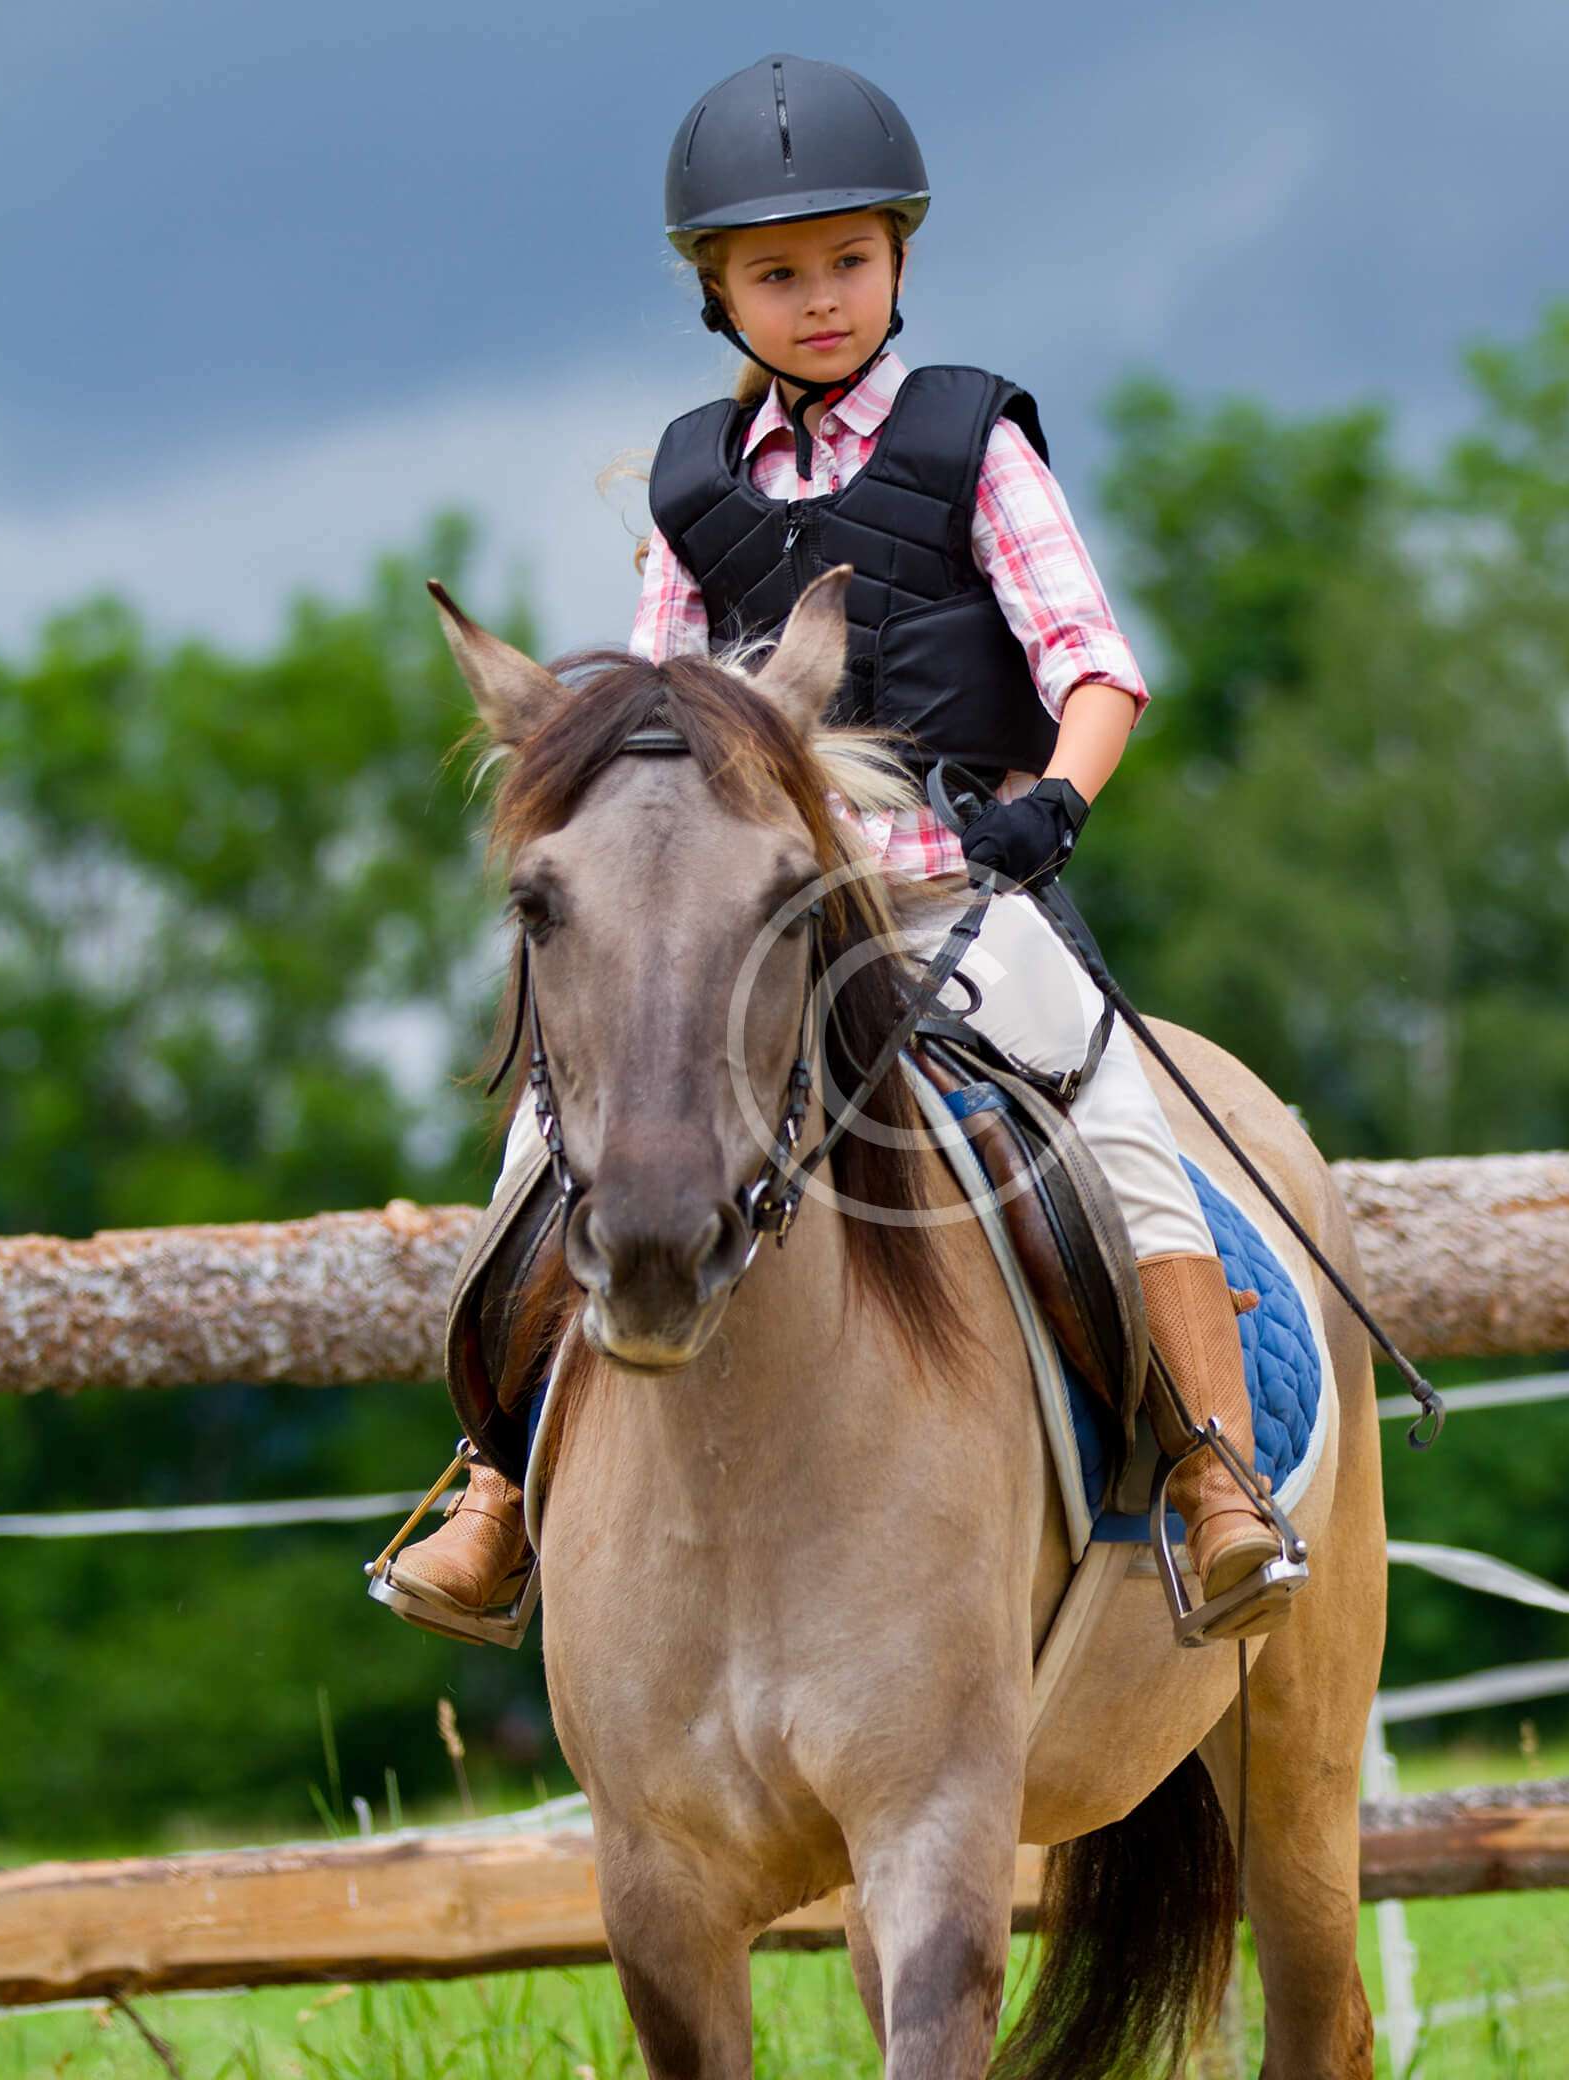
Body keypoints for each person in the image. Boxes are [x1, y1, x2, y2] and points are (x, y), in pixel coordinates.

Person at [375, 53, 1293, 1649]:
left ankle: (1217, 1476)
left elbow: (1093, 662)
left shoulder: (972, 442)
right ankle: (498, 1489)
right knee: (544, 1144)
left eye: (848, 262)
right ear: (718, 295)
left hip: (951, 894)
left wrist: (1053, 804)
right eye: (779, 275)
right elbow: (659, 715)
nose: (820, 300)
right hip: (759, 925)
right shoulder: (691, 485)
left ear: (899, 260)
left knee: (1118, 1123)